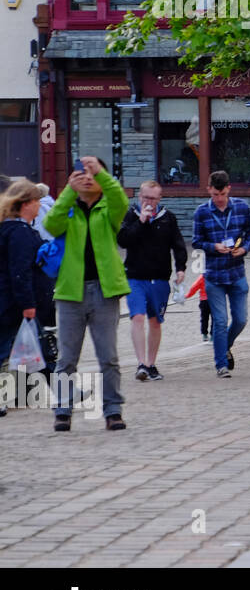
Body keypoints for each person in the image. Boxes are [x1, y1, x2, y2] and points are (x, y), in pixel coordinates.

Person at [44, 155, 130, 431]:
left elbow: (121, 199)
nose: (88, 177)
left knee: (109, 357)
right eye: (83, 173)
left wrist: (101, 173)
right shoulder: (69, 209)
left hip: (105, 291)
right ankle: (63, 410)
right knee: (67, 358)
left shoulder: (109, 209)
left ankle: (113, 410)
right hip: (71, 293)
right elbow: (51, 224)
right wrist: (69, 190)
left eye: (94, 173)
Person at [116, 180, 186, 382]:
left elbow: (178, 245)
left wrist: (181, 268)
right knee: (137, 317)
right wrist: (141, 222)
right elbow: (123, 239)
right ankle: (141, 364)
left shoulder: (168, 218)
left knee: (155, 321)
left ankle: (151, 363)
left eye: (153, 198)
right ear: (139, 196)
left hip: (160, 277)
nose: (149, 202)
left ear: (160, 199)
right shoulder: (131, 215)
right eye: (146, 197)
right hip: (135, 277)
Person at [192, 170, 250, 378]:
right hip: (214, 275)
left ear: (228, 188)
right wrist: (213, 246)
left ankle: (224, 346)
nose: (219, 199)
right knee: (219, 321)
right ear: (209, 190)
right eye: (215, 195)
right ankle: (221, 364)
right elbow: (196, 241)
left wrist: (244, 248)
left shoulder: (241, 208)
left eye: (222, 194)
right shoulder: (201, 212)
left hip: (237, 272)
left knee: (241, 319)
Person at [0, 180, 56, 416]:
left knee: (37, 348)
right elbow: (20, 271)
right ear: (26, 204)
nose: (39, 207)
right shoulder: (19, 232)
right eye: (36, 202)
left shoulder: (10, 229)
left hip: (12, 301)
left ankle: (59, 391)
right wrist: (28, 304)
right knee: (8, 350)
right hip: (13, 303)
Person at [186, 275, 210, 341]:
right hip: (214, 300)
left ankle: (204, 334)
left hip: (204, 301)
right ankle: (213, 335)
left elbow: (194, 287)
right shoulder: (216, 275)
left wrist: (187, 296)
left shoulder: (202, 277)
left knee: (204, 318)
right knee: (215, 318)